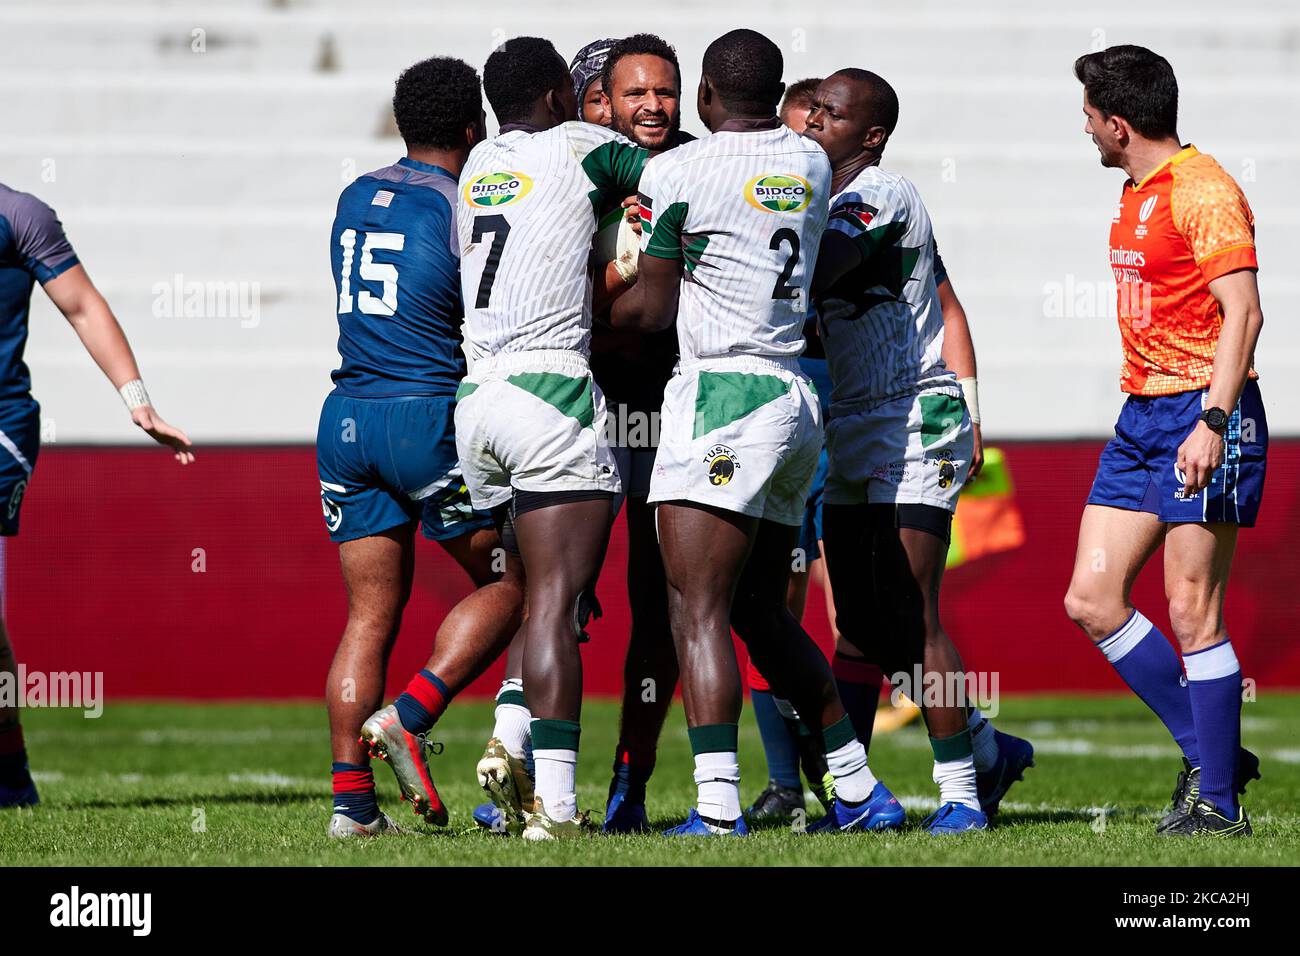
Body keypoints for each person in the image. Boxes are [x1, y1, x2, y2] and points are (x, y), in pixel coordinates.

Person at [612, 30, 904, 837]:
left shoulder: (674, 171)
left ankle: (714, 808)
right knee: (760, 614)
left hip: (722, 395)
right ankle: (857, 789)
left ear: (705, 96)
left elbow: (649, 309)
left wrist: (593, 301)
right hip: (793, 400)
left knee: (695, 608)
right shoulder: (809, 161)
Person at [806, 68, 1029, 833]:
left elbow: (821, 267)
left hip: (913, 413)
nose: (811, 125)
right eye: (811, 111)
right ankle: (860, 789)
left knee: (910, 605)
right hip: (852, 417)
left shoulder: (883, 192)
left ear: (869, 135)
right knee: (858, 622)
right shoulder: (815, 201)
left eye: (830, 115)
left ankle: (964, 790)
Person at [318, 57, 525, 838]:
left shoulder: (353, 193)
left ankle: (352, 808)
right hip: (424, 416)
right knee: (521, 581)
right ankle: (413, 712)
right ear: (473, 129)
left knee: (368, 616)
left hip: (345, 417)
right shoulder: (461, 201)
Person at [1064, 45, 1265, 837]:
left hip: (1203, 415)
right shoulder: (1134, 188)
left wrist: (1214, 423)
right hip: (1140, 417)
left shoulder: (1204, 189)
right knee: (1090, 598)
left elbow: (1243, 313)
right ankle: (1212, 753)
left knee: (1191, 612)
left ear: (1117, 123)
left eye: (1087, 116)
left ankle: (1218, 802)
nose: (1083, 129)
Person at [454, 36, 650, 840]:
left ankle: (509, 737)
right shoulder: (579, 144)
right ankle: (558, 808)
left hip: (478, 404)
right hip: (550, 392)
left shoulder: (477, 168)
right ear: (556, 99)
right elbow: (674, 178)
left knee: (541, 596)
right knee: (559, 607)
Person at [0, 183, 193, 809]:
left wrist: (138, 402)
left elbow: (82, 305)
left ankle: (8, 776)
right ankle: (12, 772)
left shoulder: (19, 214)